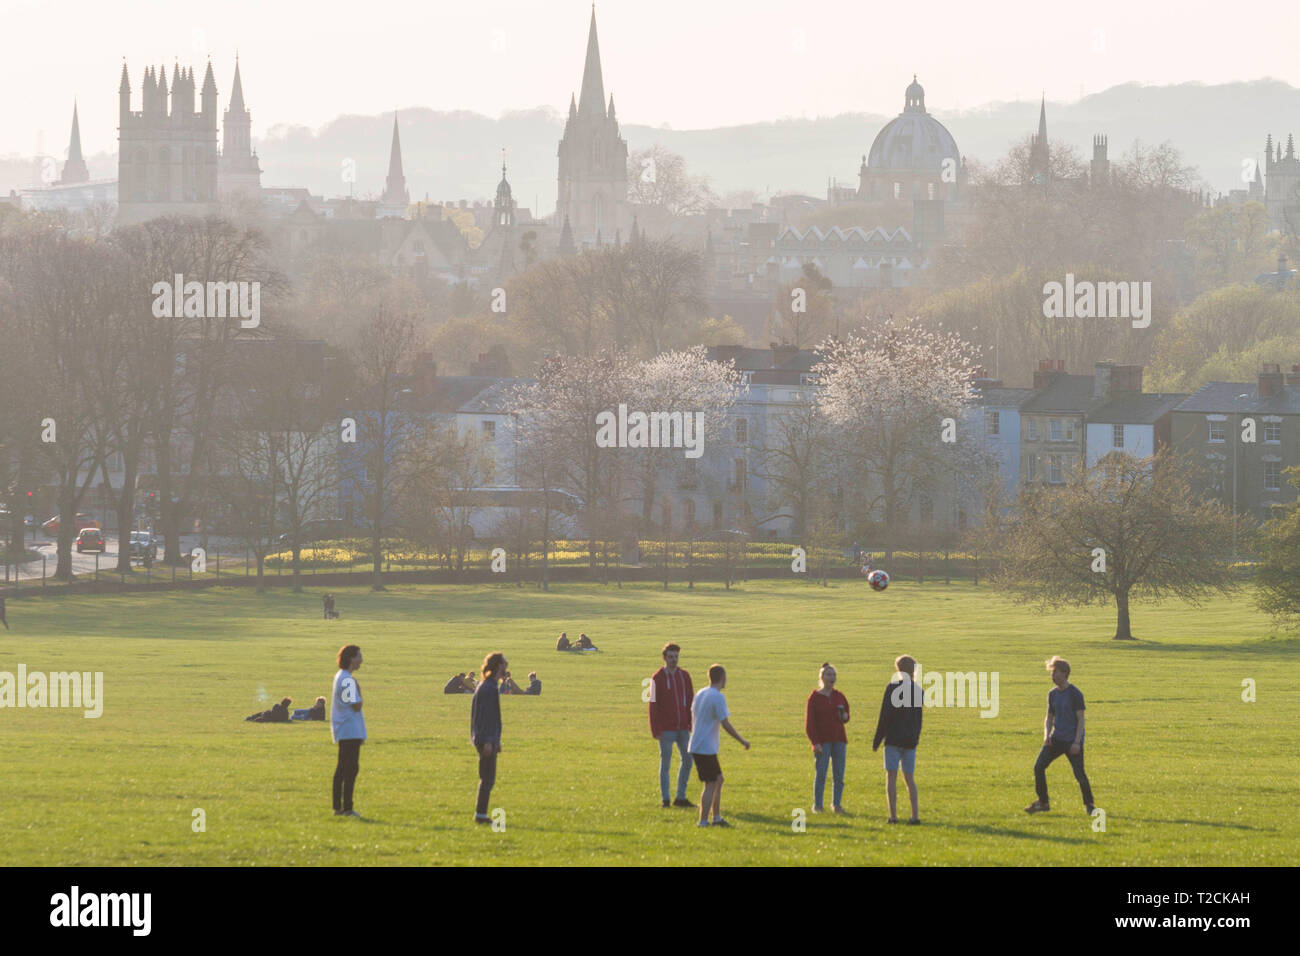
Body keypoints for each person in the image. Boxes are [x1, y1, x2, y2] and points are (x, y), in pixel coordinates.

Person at [1025, 656, 1095, 815]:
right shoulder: (1052, 694)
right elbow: (1049, 717)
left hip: (1072, 741)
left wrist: (1077, 742)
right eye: (1052, 672)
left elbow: (1081, 719)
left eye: (1055, 672)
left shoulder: (1075, 693)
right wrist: (1046, 735)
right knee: (1039, 767)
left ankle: (1089, 805)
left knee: (1079, 774)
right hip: (1055, 739)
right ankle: (1043, 802)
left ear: (1065, 673)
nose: (1052, 675)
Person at [687, 664, 750, 828]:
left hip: (698, 744)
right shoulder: (717, 697)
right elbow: (725, 723)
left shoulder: (701, 693)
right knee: (710, 783)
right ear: (722, 678)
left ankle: (717, 818)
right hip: (705, 747)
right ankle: (703, 821)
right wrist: (742, 740)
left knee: (718, 780)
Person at [872, 655, 922, 824]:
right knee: (909, 778)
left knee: (891, 777)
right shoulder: (918, 690)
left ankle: (893, 816)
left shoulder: (892, 688)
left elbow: (884, 716)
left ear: (898, 670)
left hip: (893, 739)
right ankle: (915, 816)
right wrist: (916, 736)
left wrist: (877, 740)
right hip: (910, 741)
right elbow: (918, 719)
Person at [649, 642, 695, 808]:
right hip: (666, 729)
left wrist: (691, 722)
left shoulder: (684, 676)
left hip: (683, 727)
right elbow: (653, 705)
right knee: (665, 764)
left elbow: (691, 700)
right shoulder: (657, 678)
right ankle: (665, 799)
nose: (673, 660)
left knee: (688, 760)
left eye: (676, 656)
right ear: (664, 658)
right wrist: (655, 728)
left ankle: (681, 797)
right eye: (670, 657)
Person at [805, 663, 850, 814]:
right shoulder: (815, 697)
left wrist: (845, 716)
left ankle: (836, 804)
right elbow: (810, 723)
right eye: (829, 675)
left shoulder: (839, 696)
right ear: (822, 677)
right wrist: (815, 742)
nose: (832, 678)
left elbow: (846, 715)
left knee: (839, 774)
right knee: (821, 774)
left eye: (834, 675)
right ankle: (818, 805)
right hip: (822, 741)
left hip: (839, 739)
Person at [471, 651, 507, 824]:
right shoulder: (489, 688)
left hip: (488, 738)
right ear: (499, 666)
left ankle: (481, 814)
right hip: (485, 739)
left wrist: (496, 740)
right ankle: (481, 815)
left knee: (487, 777)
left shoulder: (488, 686)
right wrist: (487, 741)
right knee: (488, 778)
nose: (507, 667)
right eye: (505, 664)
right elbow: (486, 716)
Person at [331, 645, 366, 817]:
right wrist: (359, 690)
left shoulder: (342, 677)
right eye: (358, 656)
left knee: (343, 769)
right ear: (350, 658)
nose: (361, 660)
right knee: (349, 770)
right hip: (348, 730)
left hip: (348, 730)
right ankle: (347, 808)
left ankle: (339, 807)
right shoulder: (347, 680)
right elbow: (356, 705)